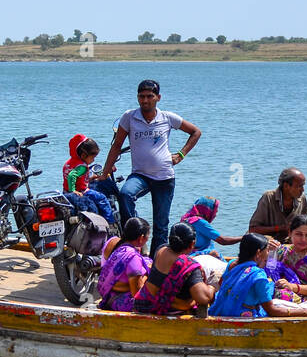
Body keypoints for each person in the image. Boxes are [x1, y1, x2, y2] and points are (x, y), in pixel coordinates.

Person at [99, 79, 202, 250]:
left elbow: (196, 132)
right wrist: (105, 173)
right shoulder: (129, 117)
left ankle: (155, 265)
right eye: (141, 96)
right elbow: (116, 145)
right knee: (125, 194)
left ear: (158, 97)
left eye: (149, 96)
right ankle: (131, 240)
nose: (145, 100)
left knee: (161, 225)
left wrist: (181, 154)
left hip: (164, 178)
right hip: (140, 175)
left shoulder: (167, 118)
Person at [208, 234, 307, 321]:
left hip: (221, 310)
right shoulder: (258, 276)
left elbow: (221, 284)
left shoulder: (232, 265)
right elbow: (272, 310)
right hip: (243, 317)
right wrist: (306, 312)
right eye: (267, 251)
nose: (268, 254)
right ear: (258, 253)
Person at [134, 222, 214, 316]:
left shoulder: (161, 249)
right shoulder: (190, 267)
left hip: (142, 305)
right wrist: (212, 287)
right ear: (192, 243)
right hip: (166, 311)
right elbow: (203, 298)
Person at [96, 217, 151, 312]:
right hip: (119, 302)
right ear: (141, 238)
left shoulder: (119, 247)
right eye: (147, 236)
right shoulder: (133, 257)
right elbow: (137, 295)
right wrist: (147, 274)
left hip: (109, 296)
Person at [62, 135, 116, 222]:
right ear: (83, 155)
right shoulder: (82, 167)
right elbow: (72, 176)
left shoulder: (69, 163)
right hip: (81, 191)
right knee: (102, 198)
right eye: (92, 158)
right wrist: (73, 190)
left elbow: (77, 178)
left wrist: (91, 178)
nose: (93, 161)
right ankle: (109, 222)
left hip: (65, 191)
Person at [248, 167, 307, 240]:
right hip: (268, 244)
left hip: (291, 244)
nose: (302, 190)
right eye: (299, 186)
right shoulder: (268, 198)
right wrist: (281, 228)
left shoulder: (302, 198)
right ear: (286, 186)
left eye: (303, 185)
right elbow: (253, 229)